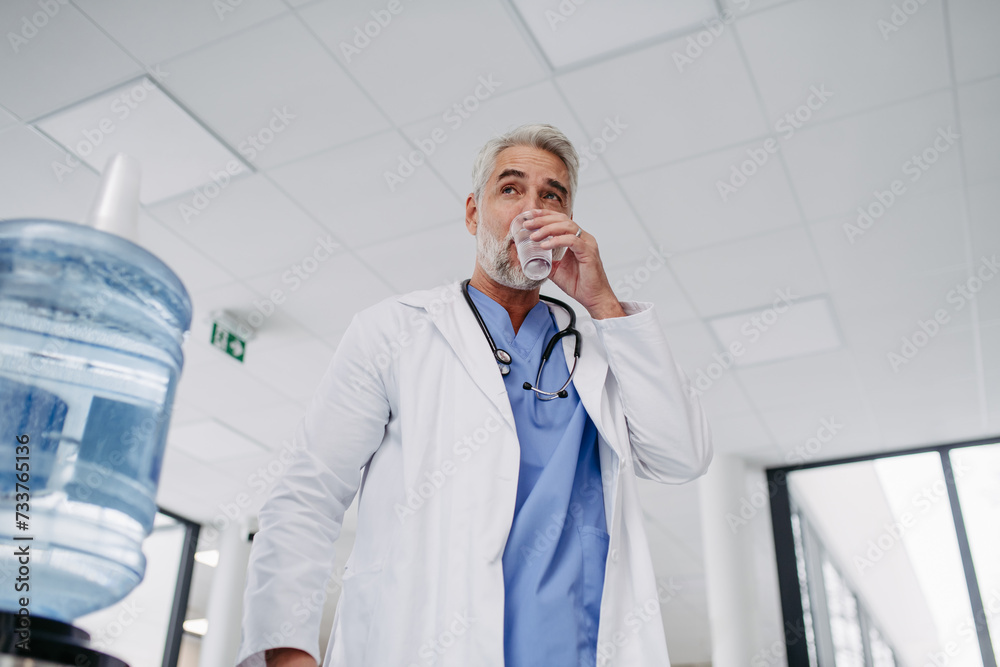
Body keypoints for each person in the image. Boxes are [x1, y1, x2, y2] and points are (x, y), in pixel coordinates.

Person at [235, 123, 712, 667]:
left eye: (551, 195)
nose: (531, 209)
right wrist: (285, 648)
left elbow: (682, 456)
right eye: (511, 189)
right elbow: (308, 493)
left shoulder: (599, 351)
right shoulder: (393, 332)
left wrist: (604, 305)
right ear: (472, 213)